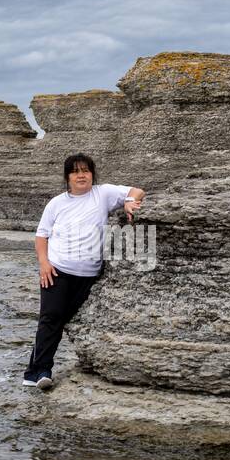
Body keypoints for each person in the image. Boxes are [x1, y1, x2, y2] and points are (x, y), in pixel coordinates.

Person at [23, 153, 145, 390]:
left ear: (92, 174)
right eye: (75, 171)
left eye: (85, 171)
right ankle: (41, 371)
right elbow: (41, 235)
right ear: (68, 176)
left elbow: (137, 190)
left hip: (89, 275)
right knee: (50, 319)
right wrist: (44, 263)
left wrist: (130, 201)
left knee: (61, 321)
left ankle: (32, 371)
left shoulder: (104, 194)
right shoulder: (56, 203)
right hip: (57, 270)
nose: (81, 175)